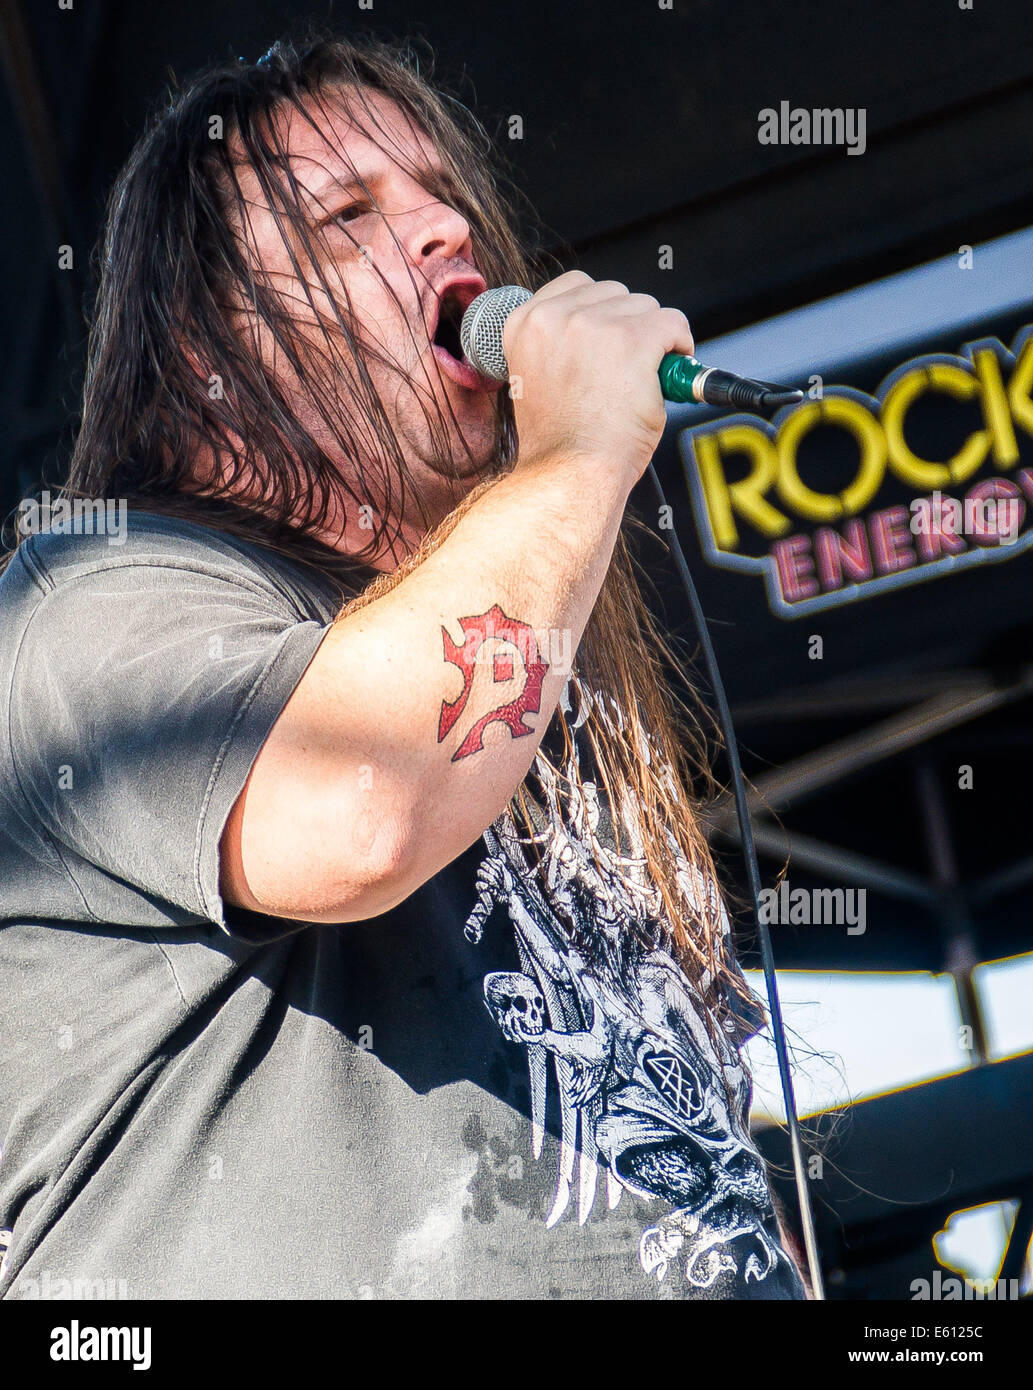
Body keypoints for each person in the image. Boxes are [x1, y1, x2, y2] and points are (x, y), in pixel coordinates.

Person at [0, 33, 806, 1300]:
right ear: (203, 345)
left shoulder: (524, 672)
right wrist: (584, 446)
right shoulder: (92, 603)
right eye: (345, 217)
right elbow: (361, 806)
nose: (442, 225)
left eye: (440, 189)